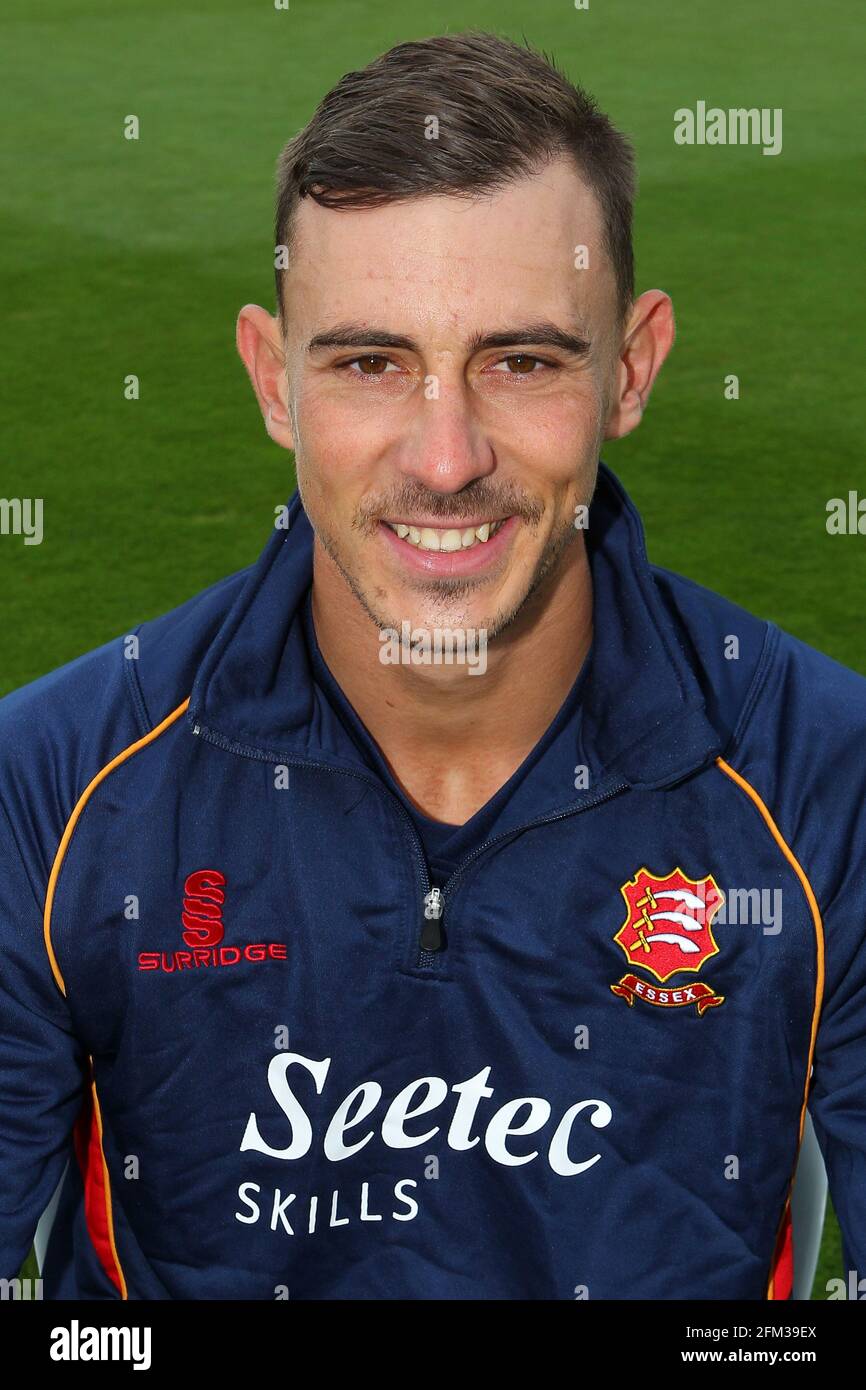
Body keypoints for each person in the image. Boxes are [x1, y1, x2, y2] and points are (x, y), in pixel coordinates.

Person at [1, 30, 864, 1301]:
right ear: (272, 380)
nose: (446, 456)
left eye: (520, 361)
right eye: (369, 363)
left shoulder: (828, 779)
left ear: (629, 367)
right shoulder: (46, 784)